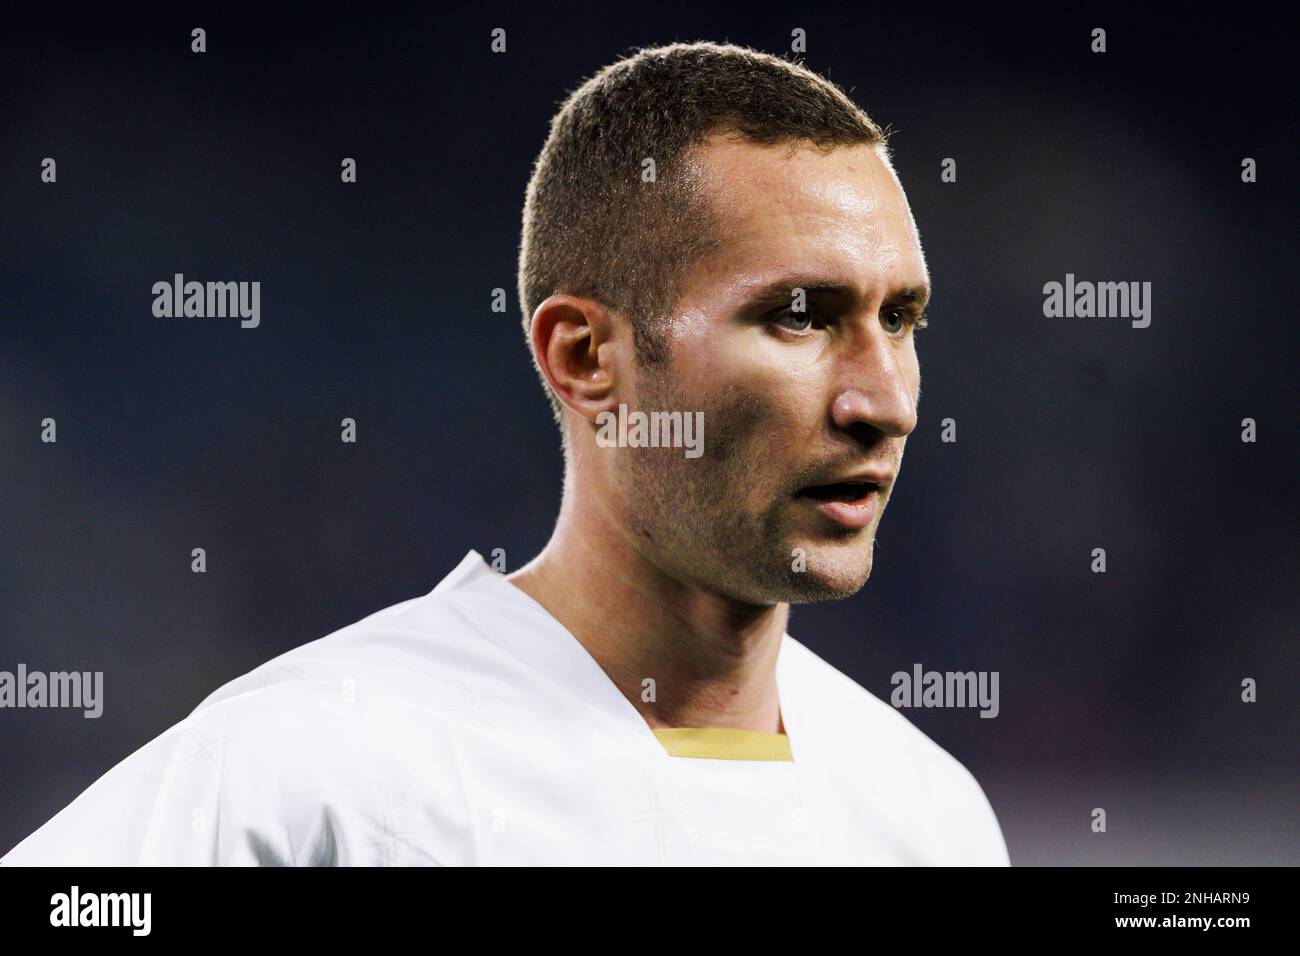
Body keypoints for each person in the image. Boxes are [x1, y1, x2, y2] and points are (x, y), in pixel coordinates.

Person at [3, 40, 1009, 866]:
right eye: (799, 316)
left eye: (902, 318)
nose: (884, 400)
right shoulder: (306, 772)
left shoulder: (928, 815)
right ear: (585, 357)